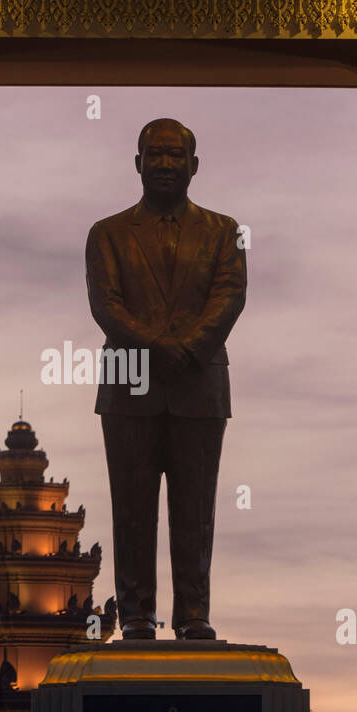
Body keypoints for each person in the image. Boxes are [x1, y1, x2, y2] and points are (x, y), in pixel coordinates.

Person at [86, 119, 247, 641]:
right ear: (137, 163)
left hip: (200, 384)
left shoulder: (224, 231)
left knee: (195, 509)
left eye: (175, 155)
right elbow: (105, 304)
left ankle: (193, 614)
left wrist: (191, 347)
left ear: (194, 166)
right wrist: (159, 346)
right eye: (154, 154)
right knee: (132, 509)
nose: (164, 164)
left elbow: (230, 295)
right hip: (129, 386)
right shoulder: (108, 233)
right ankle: (136, 615)